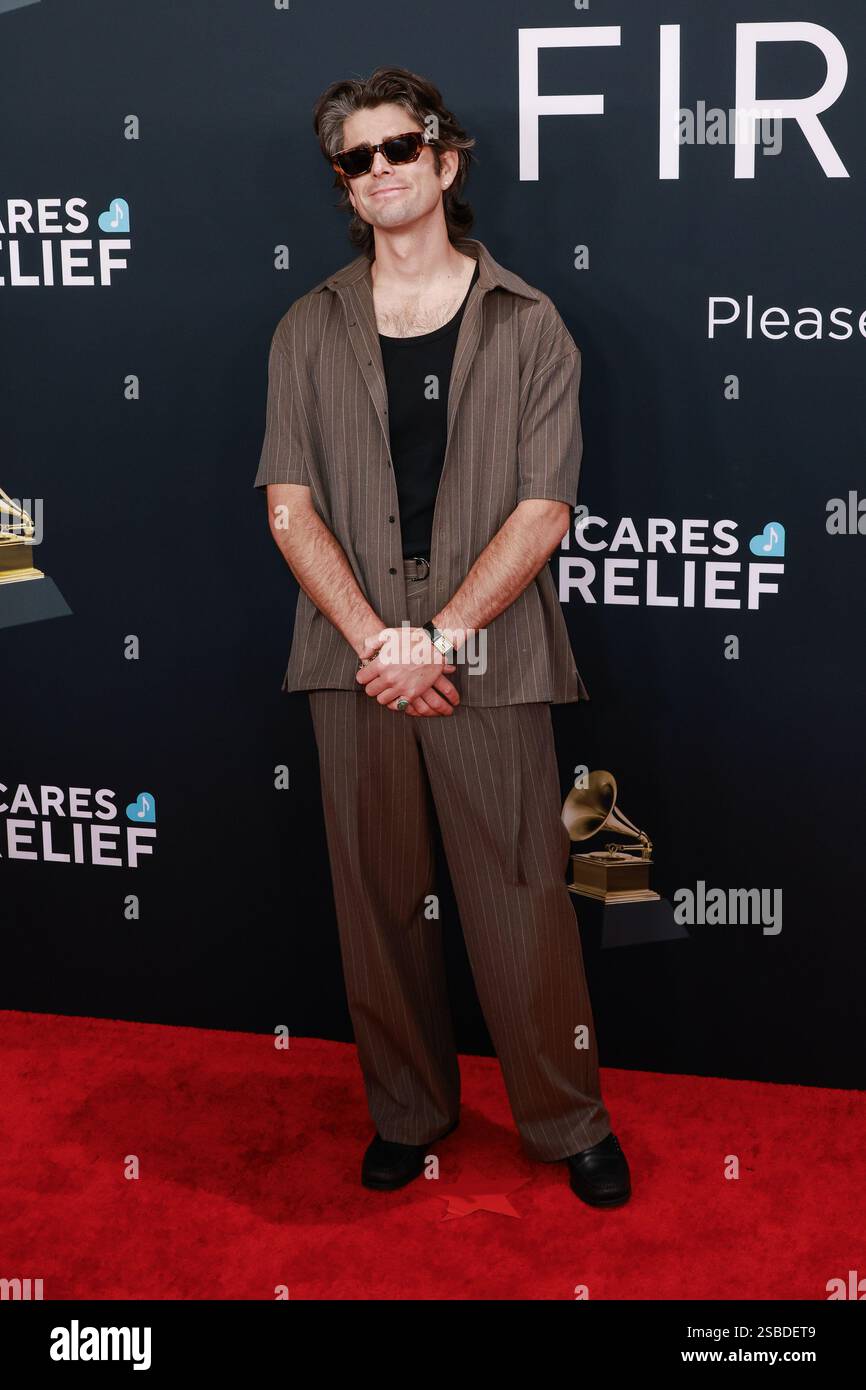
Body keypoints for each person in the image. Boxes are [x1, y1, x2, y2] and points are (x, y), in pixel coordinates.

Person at [254, 65, 631, 1207]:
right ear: (344, 187)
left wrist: (440, 639)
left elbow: (541, 508)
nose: (379, 171)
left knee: (521, 898)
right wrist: (382, 639)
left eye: (398, 150)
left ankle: (565, 1121)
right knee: (377, 903)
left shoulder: (529, 322)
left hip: (492, 655)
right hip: (351, 658)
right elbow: (287, 503)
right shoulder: (304, 325)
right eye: (355, 161)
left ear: (444, 160)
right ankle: (408, 1111)